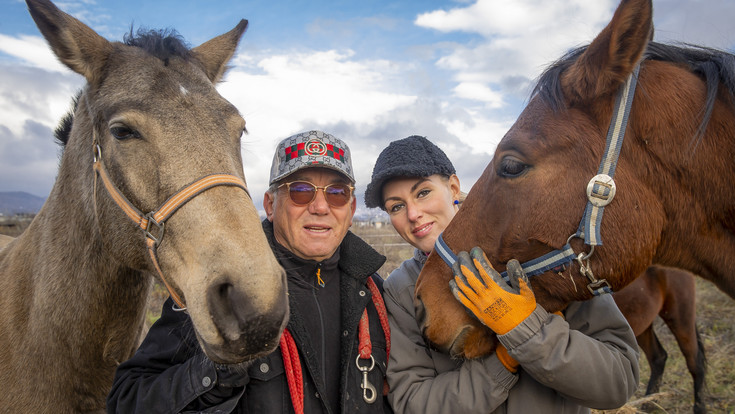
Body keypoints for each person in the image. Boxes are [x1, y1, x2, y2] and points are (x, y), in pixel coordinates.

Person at [108, 130, 391, 414]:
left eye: (337, 194)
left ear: (351, 208)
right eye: (301, 191)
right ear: (270, 205)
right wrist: (217, 372)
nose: (320, 207)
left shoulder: (375, 294)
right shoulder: (221, 288)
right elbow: (128, 398)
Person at [364, 135, 640, 413]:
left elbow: (618, 382)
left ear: (453, 187)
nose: (413, 213)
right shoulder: (400, 290)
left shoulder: (539, 248)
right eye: (396, 207)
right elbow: (414, 404)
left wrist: (529, 330)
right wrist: (501, 362)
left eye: (423, 192)